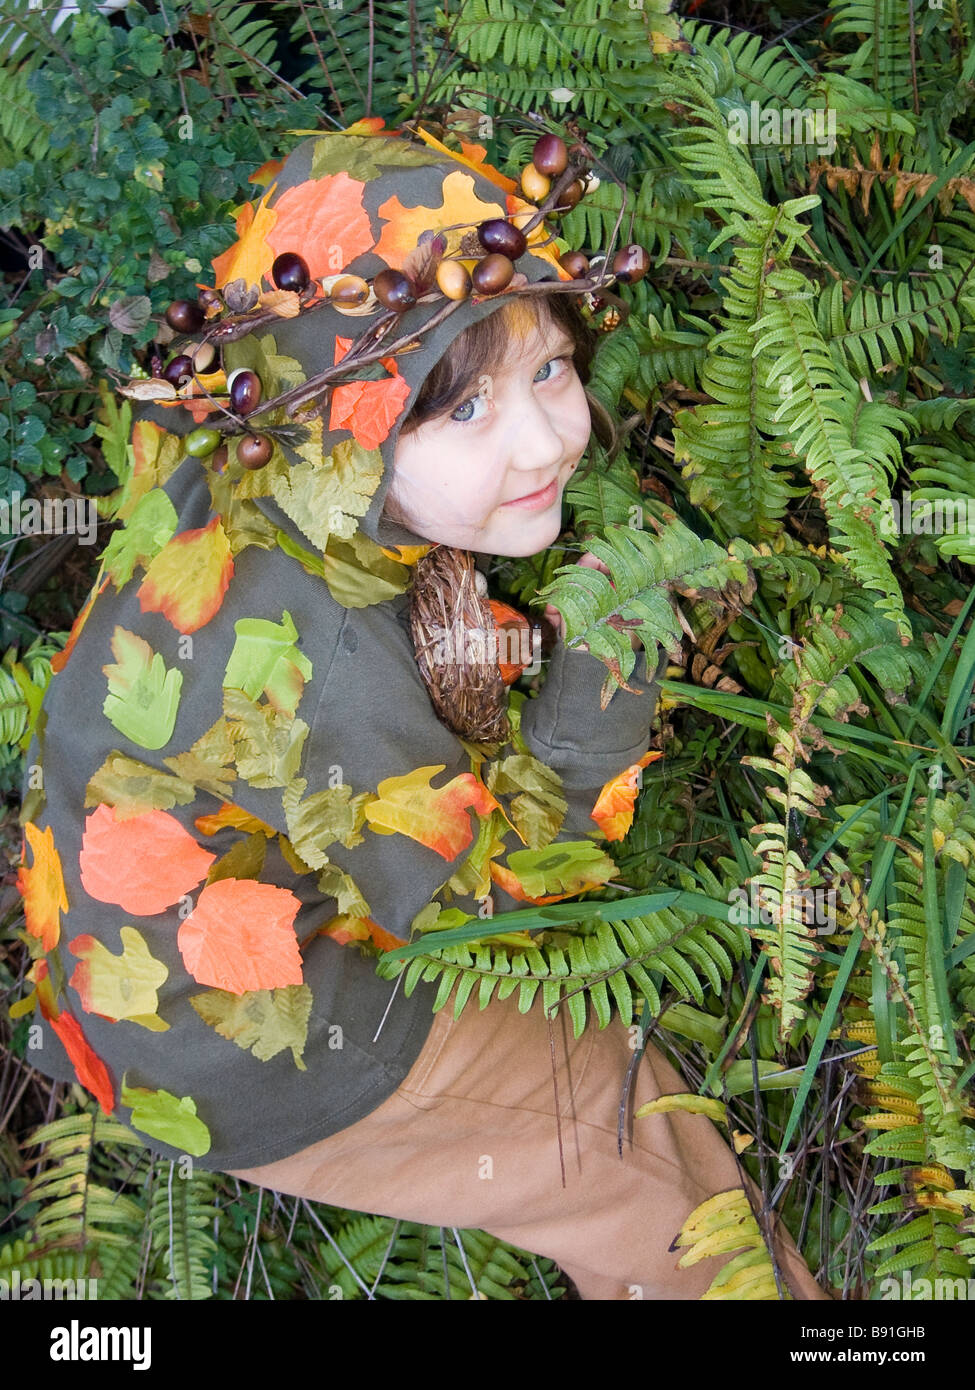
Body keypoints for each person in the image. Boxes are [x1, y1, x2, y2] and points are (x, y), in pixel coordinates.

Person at [14, 124, 830, 1300]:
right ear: (349, 420)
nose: (546, 437)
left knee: (631, 1090)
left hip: (115, 955)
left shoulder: (245, 434)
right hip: (243, 1037)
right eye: (462, 413)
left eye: (550, 368)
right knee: (644, 1175)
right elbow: (496, 904)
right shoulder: (327, 662)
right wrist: (607, 678)